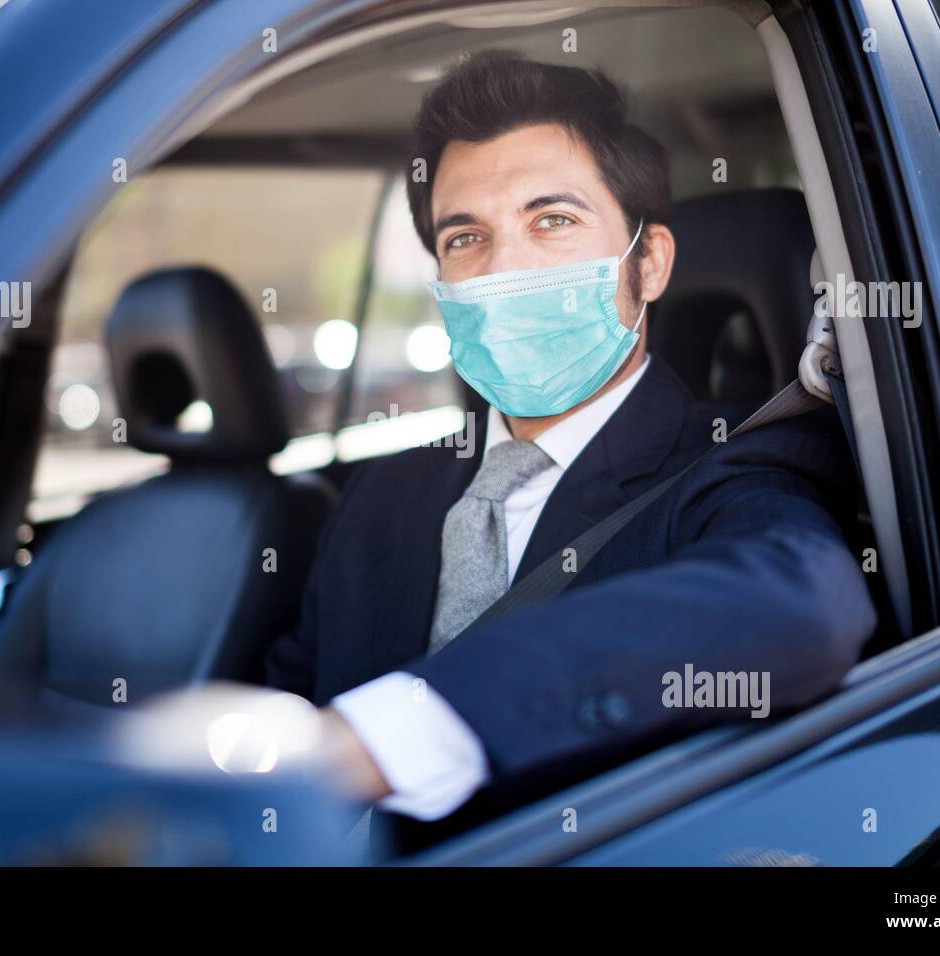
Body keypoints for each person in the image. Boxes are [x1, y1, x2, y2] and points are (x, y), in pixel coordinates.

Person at [263, 48, 877, 858]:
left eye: (552, 220)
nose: (505, 267)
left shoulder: (732, 463)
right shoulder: (383, 494)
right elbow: (294, 706)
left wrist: (411, 726)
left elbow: (803, 604)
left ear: (648, 262)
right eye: (465, 237)